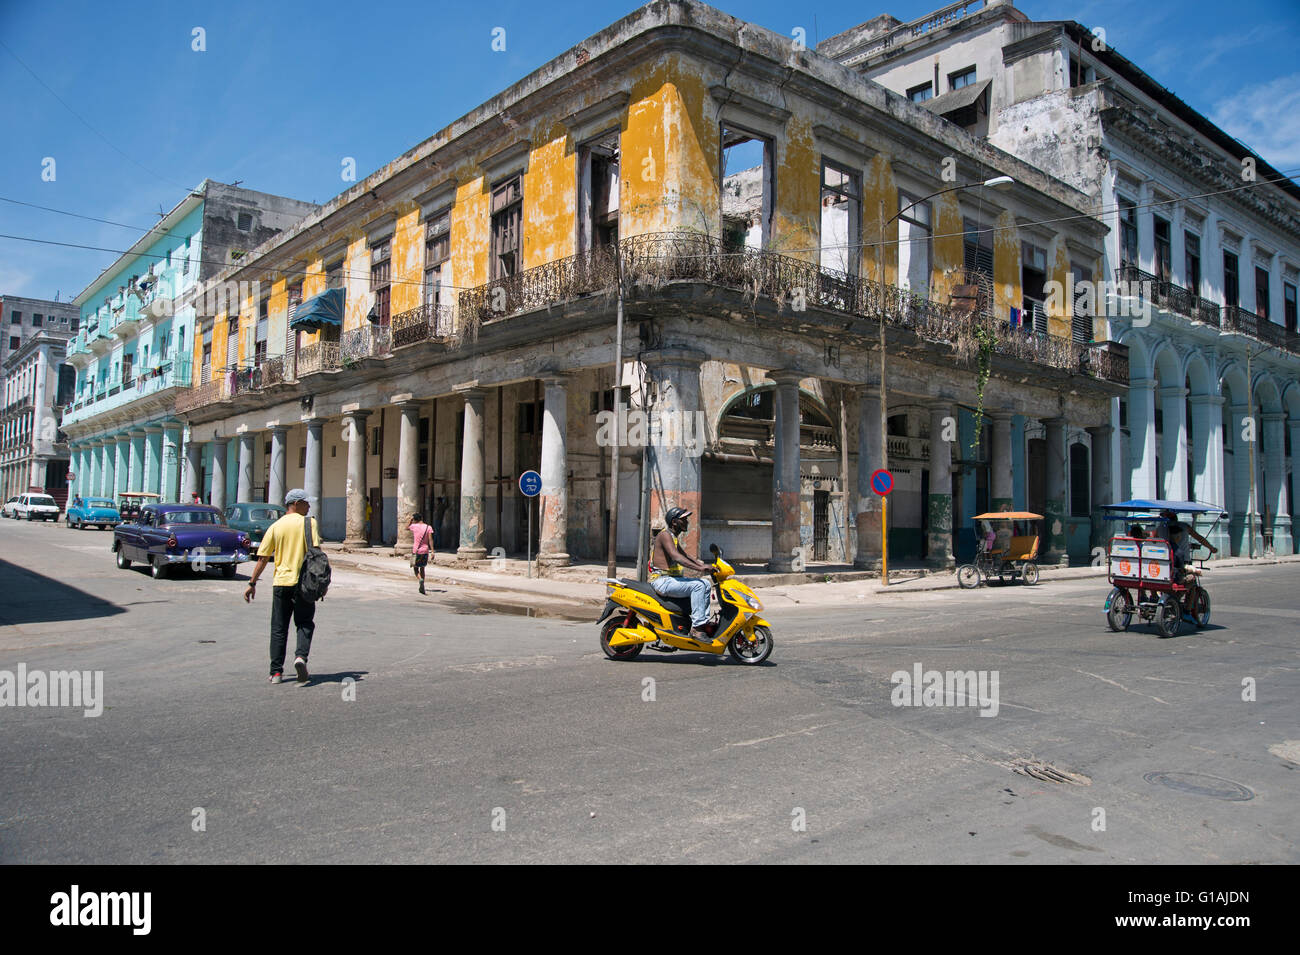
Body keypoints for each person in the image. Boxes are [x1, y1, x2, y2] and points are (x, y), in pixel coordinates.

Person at [243, 488, 322, 684]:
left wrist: (252, 583)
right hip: (304, 583)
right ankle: (300, 657)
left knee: (279, 628)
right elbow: (317, 554)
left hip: (281, 583)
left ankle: (276, 672)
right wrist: (322, 582)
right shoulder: (309, 523)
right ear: (295, 504)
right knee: (304, 623)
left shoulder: (275, 527)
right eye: (306, 502)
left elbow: (262, 558)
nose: (309, 505)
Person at [649, 507, 714, 641]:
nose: (687, 522)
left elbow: (685, 555)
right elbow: (676, 557)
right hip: (662, 580)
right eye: (684, 519)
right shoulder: (665, 535)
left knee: (706, 584)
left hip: (671, 580)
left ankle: (703, 623)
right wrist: (700, 569)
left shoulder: (673, 537)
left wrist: (704, 565)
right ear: (674, 522)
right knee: (698, 586)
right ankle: (696, 629)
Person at [1160, 509, 1217, 610]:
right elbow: (1199, 538)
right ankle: (1187, 609)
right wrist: (1211, 548)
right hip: (1182, 563)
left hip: (1162, 562)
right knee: (1192, 582)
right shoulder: (1184, 527)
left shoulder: (1160, 528)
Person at [409, 512, 434, 595]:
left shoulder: (413, 526)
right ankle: (423, 585)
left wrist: (410, 521)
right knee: (422, 568)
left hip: (416, 551)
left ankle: (420, 579)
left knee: (415, 568)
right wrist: (432, 551)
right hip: (425, 550)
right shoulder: (428, 527)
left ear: (415, 519)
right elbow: (430, 540)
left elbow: (406, 528)